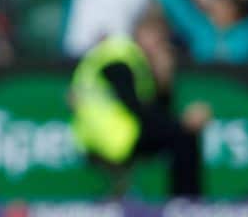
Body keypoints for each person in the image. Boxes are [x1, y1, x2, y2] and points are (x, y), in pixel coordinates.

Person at [70, 32, 209, 196]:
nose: (160, 49)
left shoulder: (139, 66)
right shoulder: (118, 56)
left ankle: (184, 204)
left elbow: (155, 111)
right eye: (158, 40)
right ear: (142, 33)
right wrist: (181, 123)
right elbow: (136, 109)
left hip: (121, 135)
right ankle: (186, 205)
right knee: (183, 135)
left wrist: (164, 82)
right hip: (108, 138)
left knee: (181, 134)